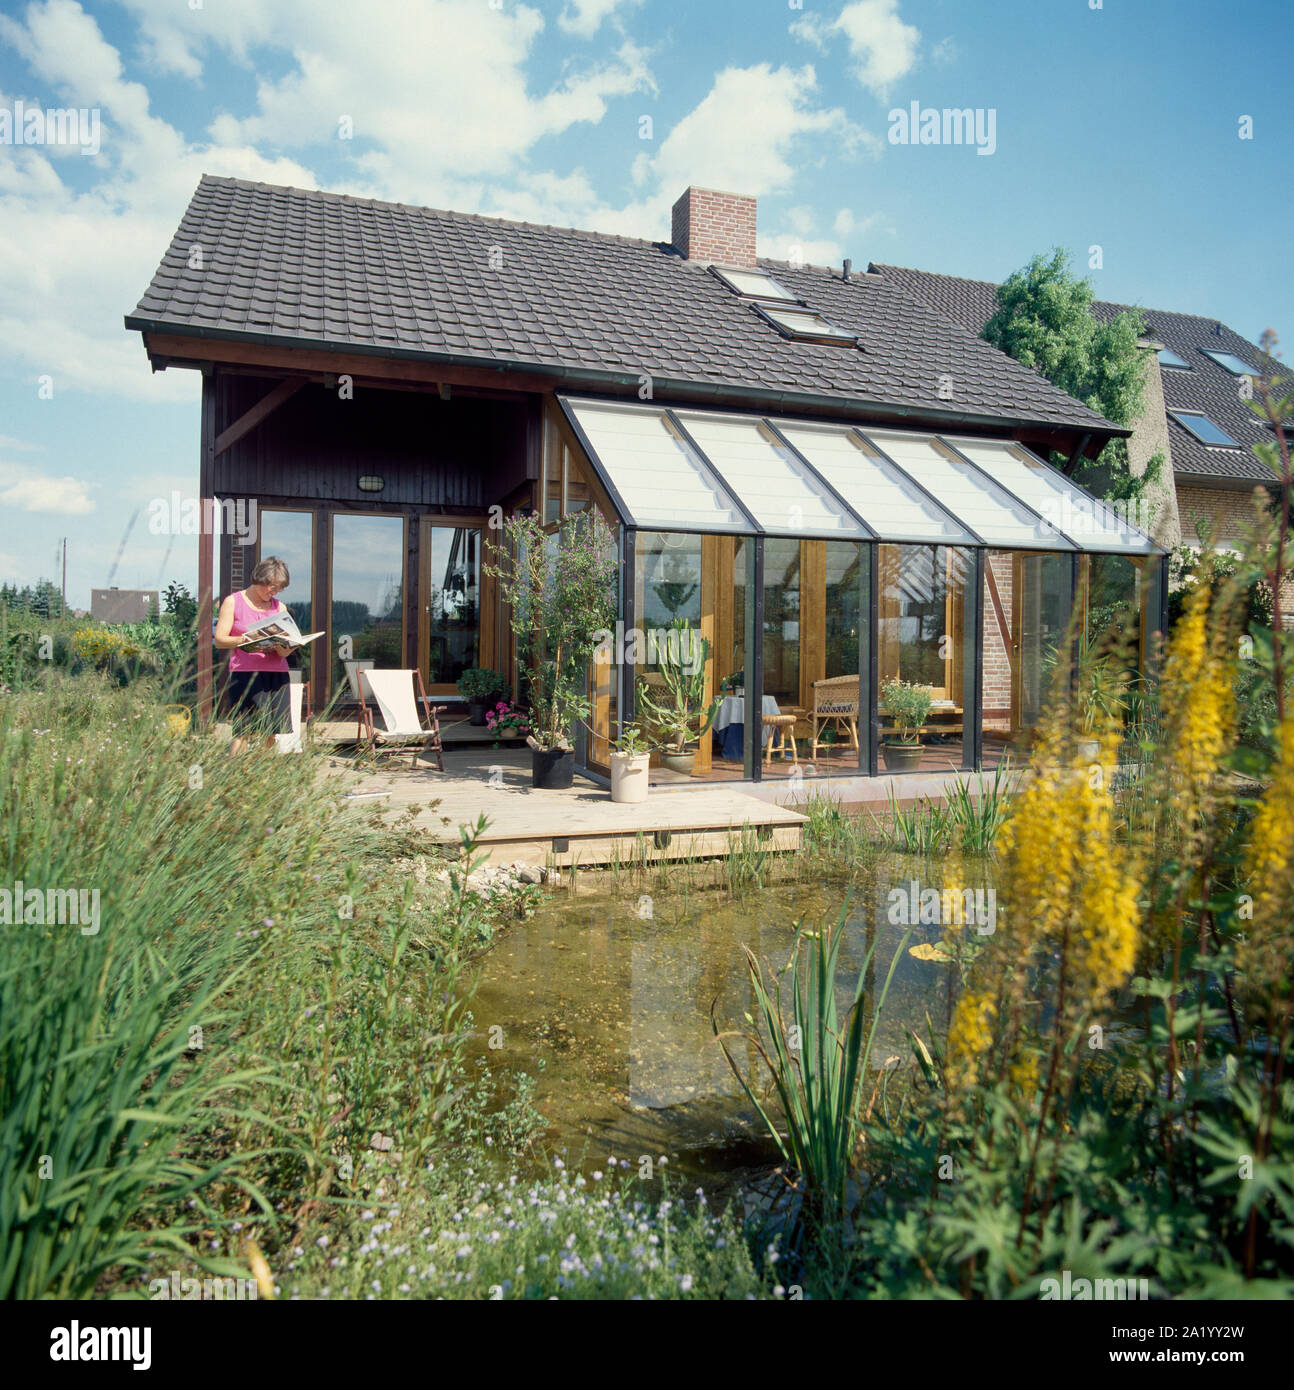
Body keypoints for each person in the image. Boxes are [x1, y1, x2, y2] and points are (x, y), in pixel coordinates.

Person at [214, 557, 295, 755]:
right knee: (243, 730)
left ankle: (265, 779)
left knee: (271, 732)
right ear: (259, 579)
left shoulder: (280, 607)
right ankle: (234, 777)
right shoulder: (233, 602)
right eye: (271, 587)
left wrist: (287, 645)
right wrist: (247, 640)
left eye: (278, 589)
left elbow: (285, 651)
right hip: (246, 674)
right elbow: (220, 640)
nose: (273, 592)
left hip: (276, 675)